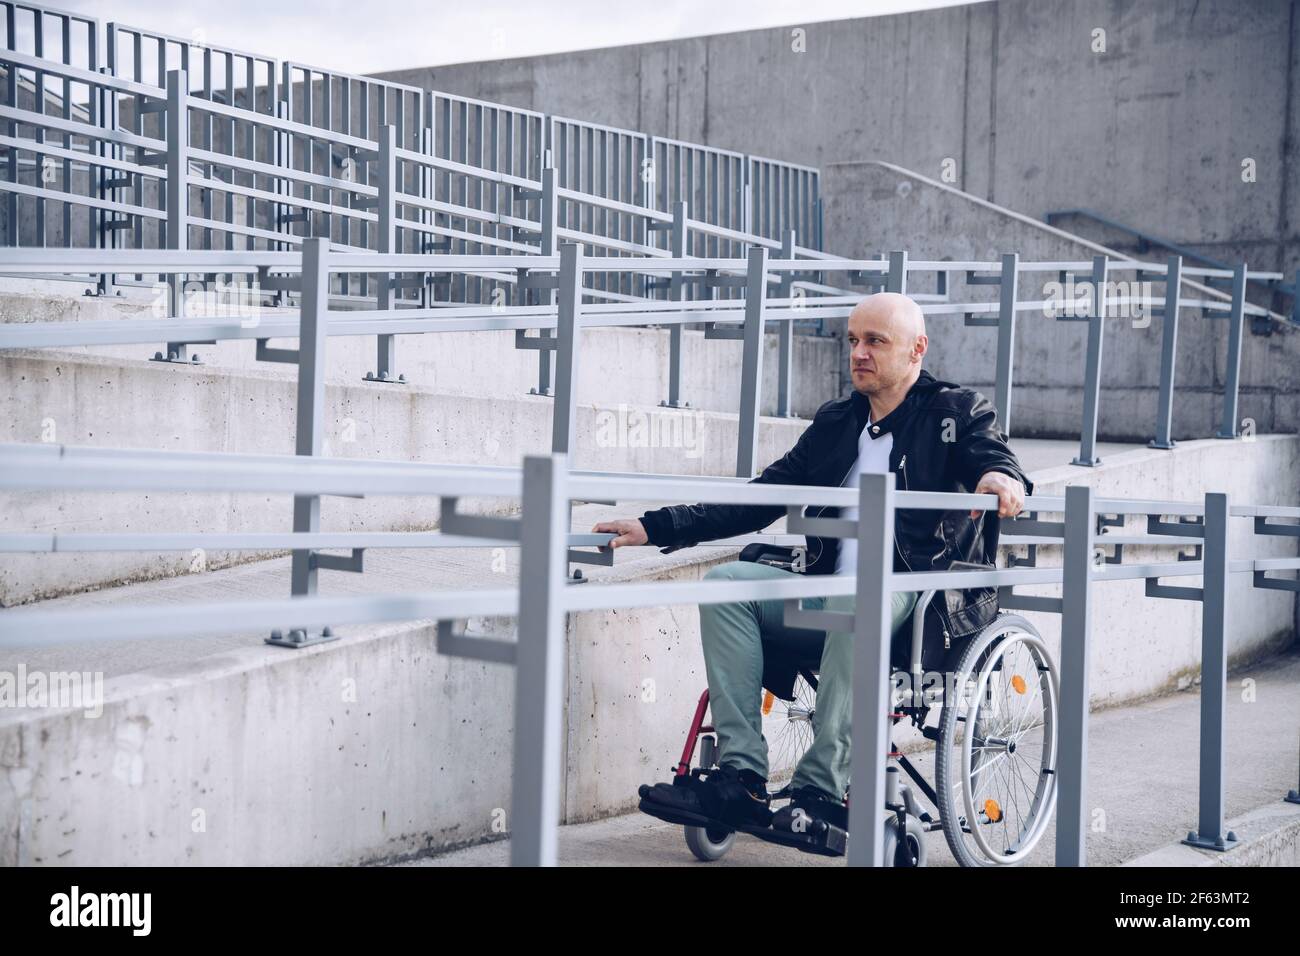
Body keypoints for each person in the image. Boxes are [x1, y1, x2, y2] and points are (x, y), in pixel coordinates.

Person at [594, 292, 1033, 849]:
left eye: (875, 341)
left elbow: (990, 454)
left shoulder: (955, 411)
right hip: (824, 592)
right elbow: (764, 497)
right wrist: (658, 525)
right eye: (853, 340)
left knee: (858, 599)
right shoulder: (837, 421)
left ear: (917, 349)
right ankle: (743, 779)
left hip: (915, 601)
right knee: (728, 586)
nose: (859, 353)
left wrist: (999, 478)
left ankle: (821, 788)